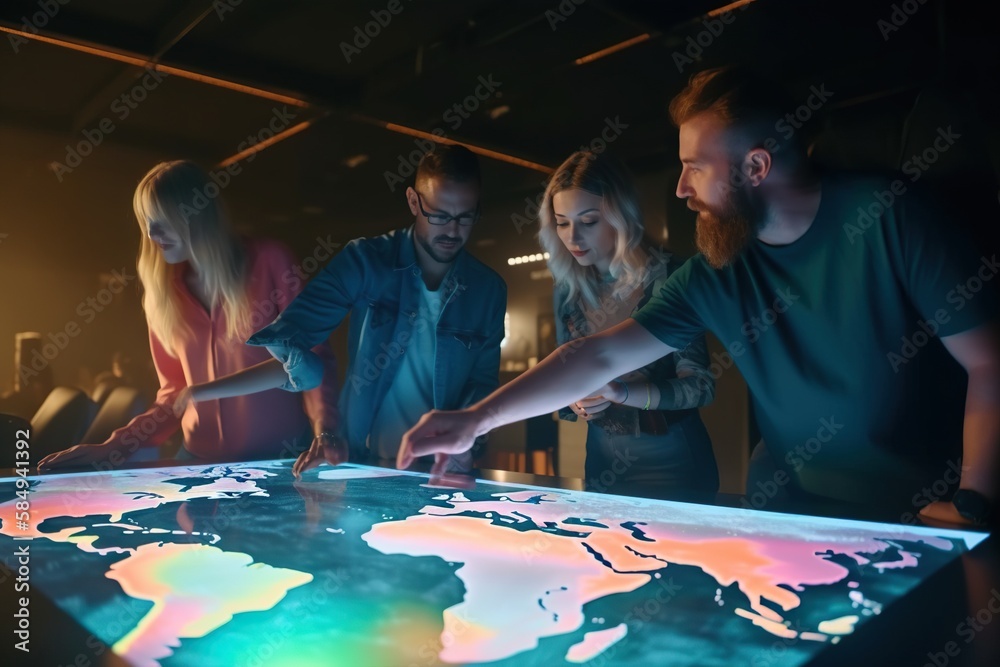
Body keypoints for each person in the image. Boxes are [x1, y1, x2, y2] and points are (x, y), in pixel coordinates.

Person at [399, 67, 1000, 526]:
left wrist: (975, 497)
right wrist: (475, 420)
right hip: (789, 503)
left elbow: (987, 359)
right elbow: (597, 357)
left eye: (695, 168)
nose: (682, 188)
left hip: (918, 507)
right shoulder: (720, 266)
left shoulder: (889, 216)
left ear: (756, 167)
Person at [168, 144, 507, 477]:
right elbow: (293, 345)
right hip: (365, 461)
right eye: (440, 215)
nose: (452, 230)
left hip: (442, 468)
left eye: (465, 218)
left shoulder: (488, 290)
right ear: (413, 201)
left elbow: (482, 382)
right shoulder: (365, 261)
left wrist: (469, 441)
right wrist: (325, 429)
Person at [38, 161, 340, 468]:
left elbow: (314, 356)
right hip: (198, 464)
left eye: (162, 220)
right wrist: (114, 447)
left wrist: (325, 430)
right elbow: (173, 396)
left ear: (197, 213)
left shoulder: (270, 260)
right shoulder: (161, 293)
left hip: (281, 461)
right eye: (147, 221)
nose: (153, 233)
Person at [540, 150, 718, 501]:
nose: (573, 237)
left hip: (672, 460)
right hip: (601, 459)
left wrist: (620, 392)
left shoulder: (670, 278)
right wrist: (575, 398)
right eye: (562, 222)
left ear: (620, 215)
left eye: (588, 221)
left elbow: (700, 386)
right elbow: (564, 379)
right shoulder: (567, 292)